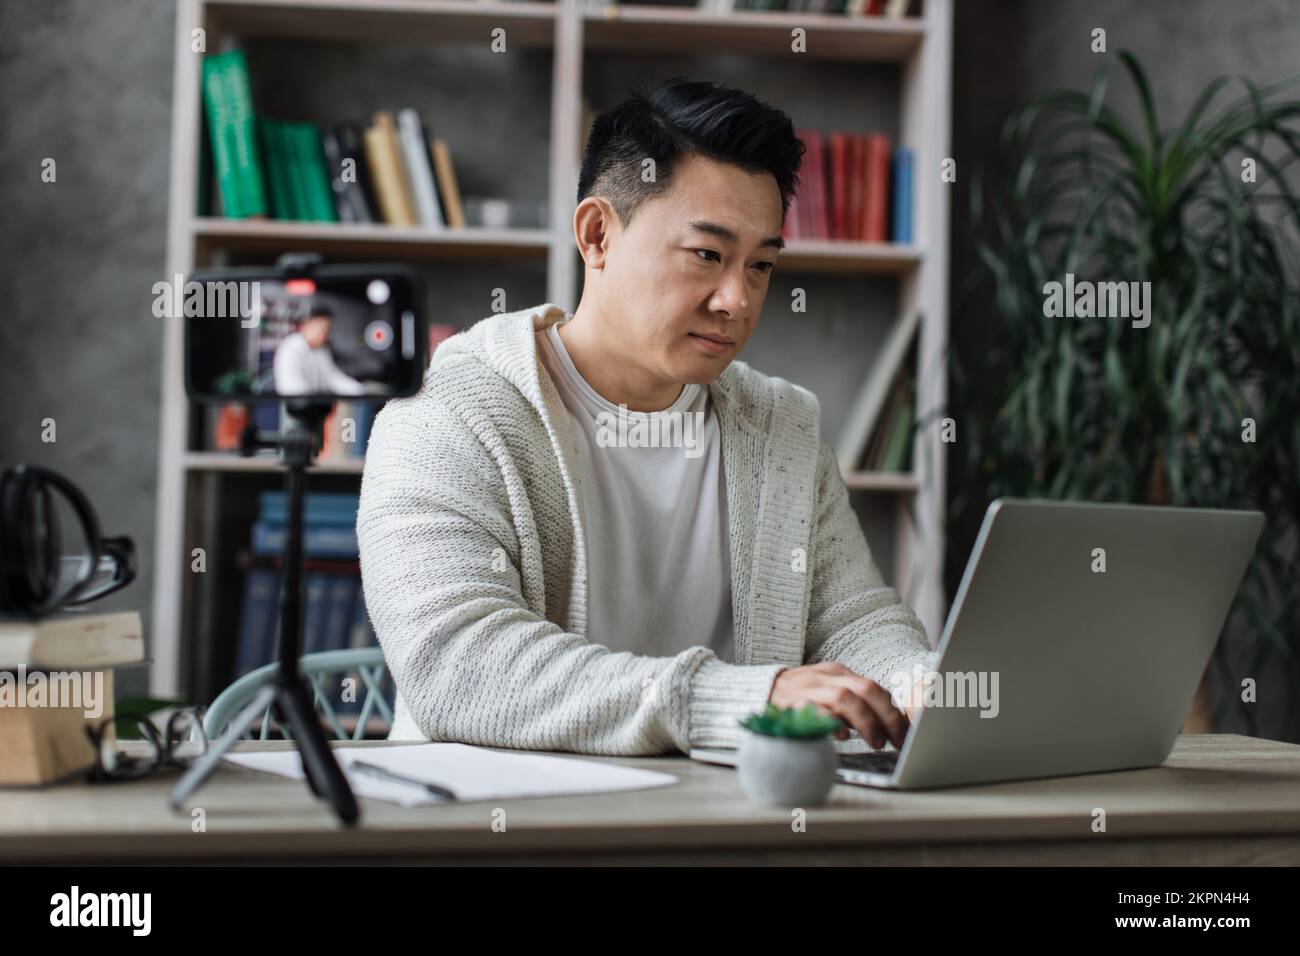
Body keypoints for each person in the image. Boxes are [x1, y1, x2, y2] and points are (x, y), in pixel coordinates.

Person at [358, 76, 936, 756]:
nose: (738, 300)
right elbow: (458, 666)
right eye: (708, 256)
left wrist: (918, 686)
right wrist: (744, 700)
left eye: (761, 266)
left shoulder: (782, 426)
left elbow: (851, 618)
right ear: (598, 234)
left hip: (727, 826)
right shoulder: (446, 415)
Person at [272, 305, 365, 396]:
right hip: (296, 408)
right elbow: (292, 389)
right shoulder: (290, 348)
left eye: (328, 330)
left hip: (317, 405)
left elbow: (333, 377)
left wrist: (360, 390)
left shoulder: (322, 349)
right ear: (307, 324)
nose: (326, 334)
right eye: (323, 329)